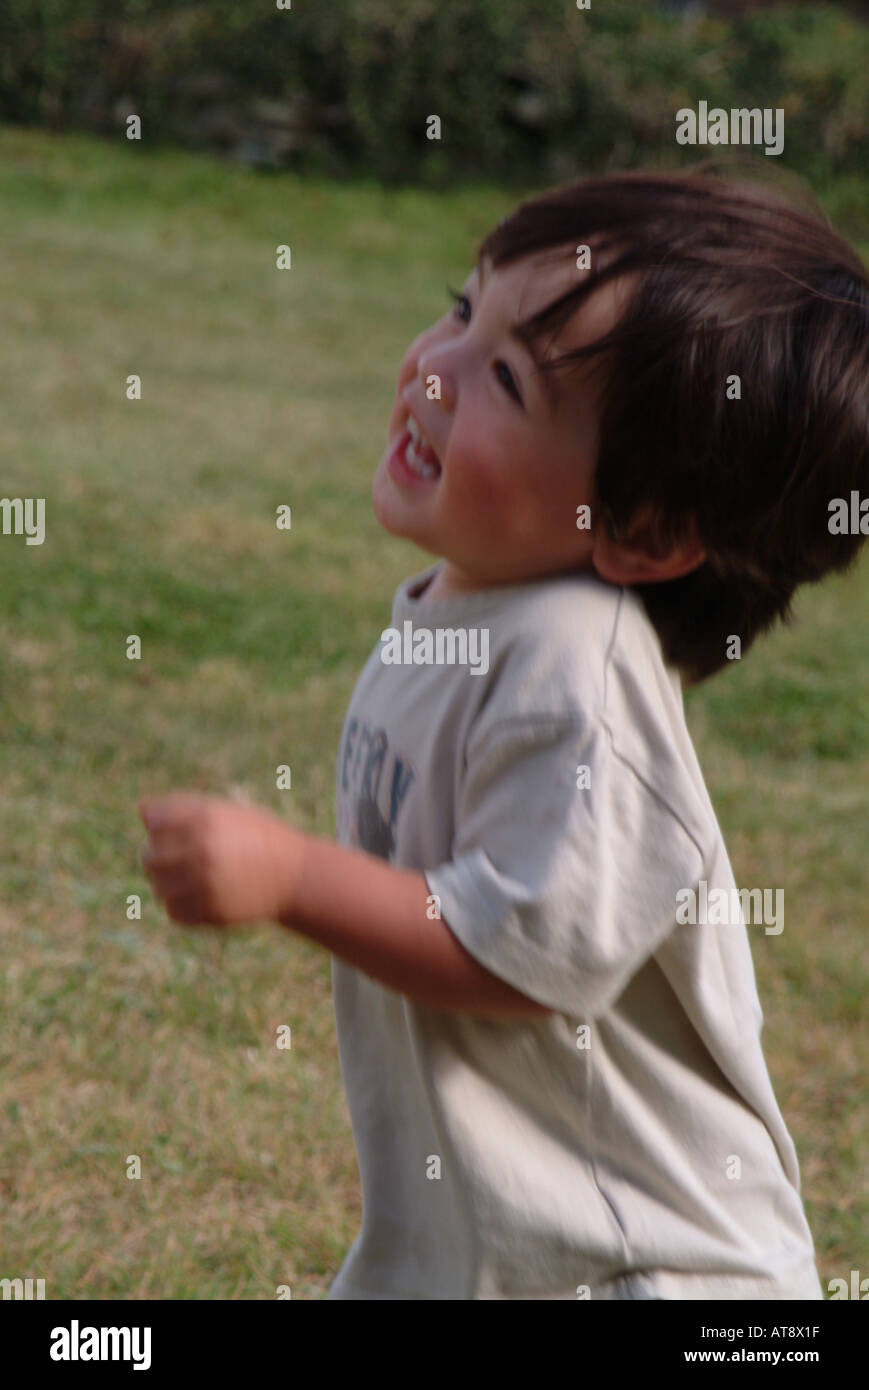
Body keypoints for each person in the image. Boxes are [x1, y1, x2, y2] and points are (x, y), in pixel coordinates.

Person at [140, 169, 869, 1299]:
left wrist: (289, 876)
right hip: (500, 1249)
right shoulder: (477, 606)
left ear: (644, 529)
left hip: (651, 1271)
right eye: (458, 306)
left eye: (505, 381)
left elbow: (508, 950)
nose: (432, 368)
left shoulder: (576, 670)